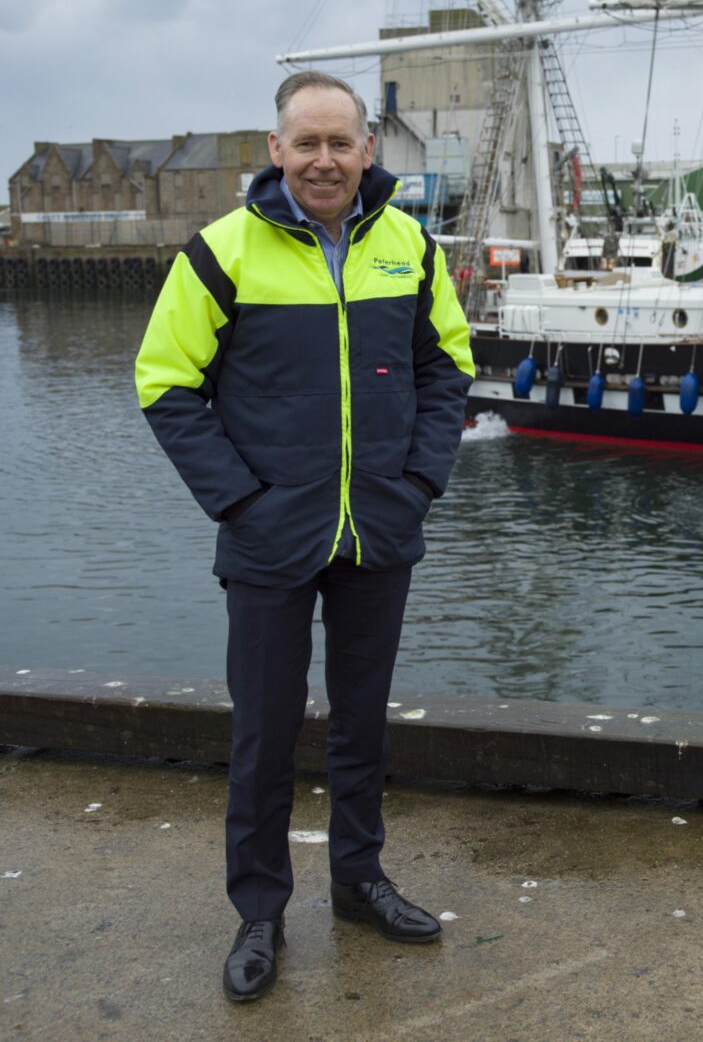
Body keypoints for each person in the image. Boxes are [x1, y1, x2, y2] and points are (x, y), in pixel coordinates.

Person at [134, 72, 474, 1002]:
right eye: (306, 142)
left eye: (341, 142)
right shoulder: (221, 253)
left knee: (362, 725)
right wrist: (241, 503)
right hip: (268, 538)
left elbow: (449, 369)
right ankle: (260, 909)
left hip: (379, 530)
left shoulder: (410, 245)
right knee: (265, 731)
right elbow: (165, 382)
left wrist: (416, 485)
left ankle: (360, 880)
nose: (324, 159)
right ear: (275, 150)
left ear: (370, 150)